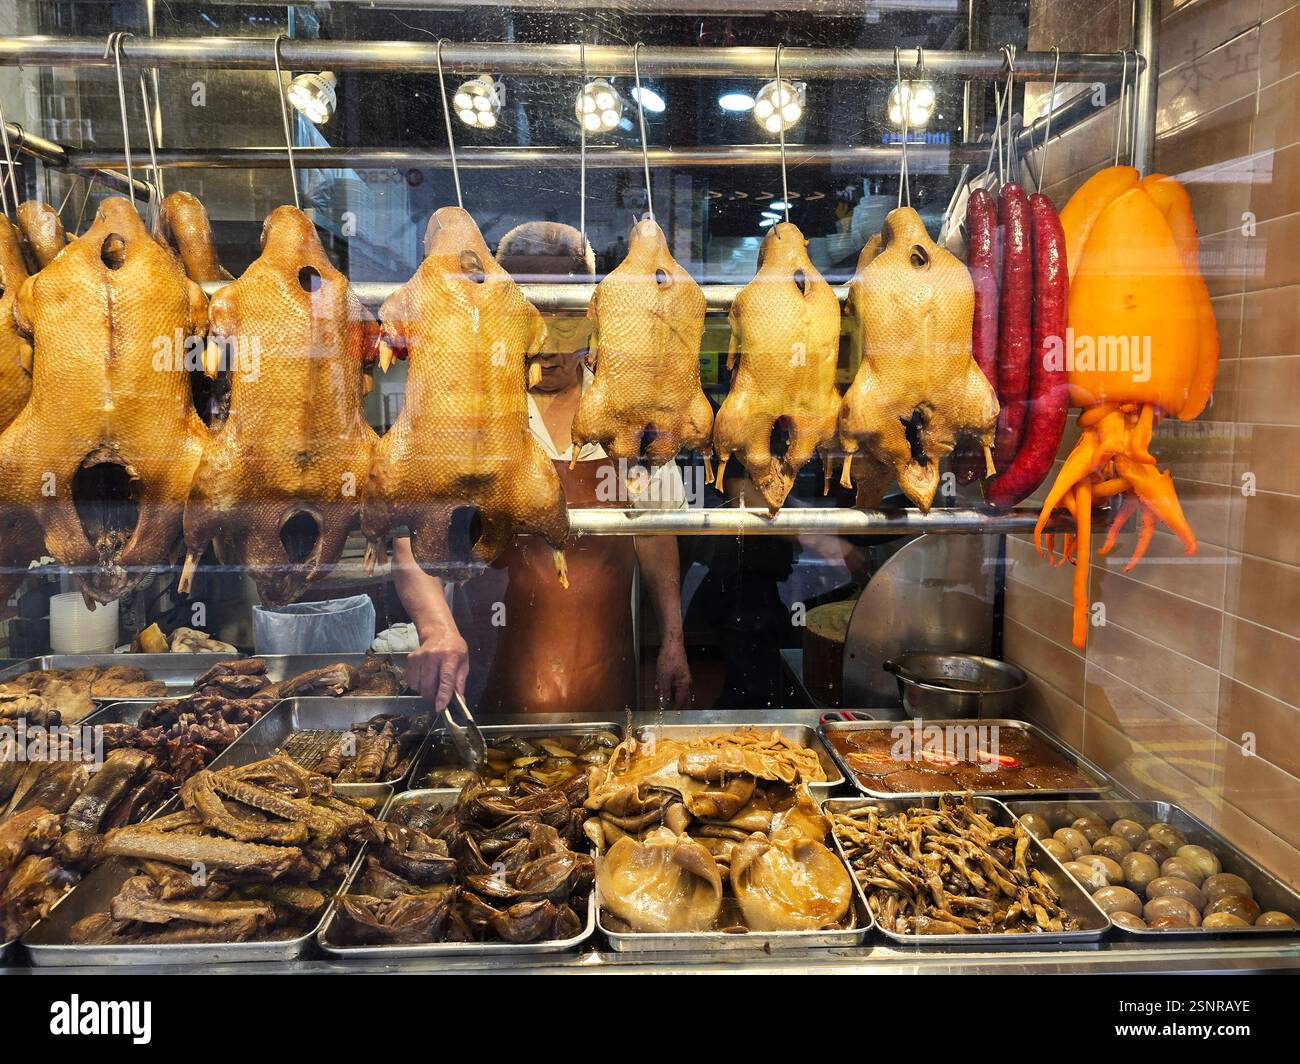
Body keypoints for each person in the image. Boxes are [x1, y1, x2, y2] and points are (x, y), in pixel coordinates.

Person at [392, 221, 693, 714]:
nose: (548, 343)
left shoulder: (627, 410)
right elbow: (410, 532)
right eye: (529, 308)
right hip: (487, 659)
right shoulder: (464, 405)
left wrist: (673, 640)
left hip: (605, 659)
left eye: (565, 311)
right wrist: (437, 627)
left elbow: (656, 536)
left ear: (592, 310)